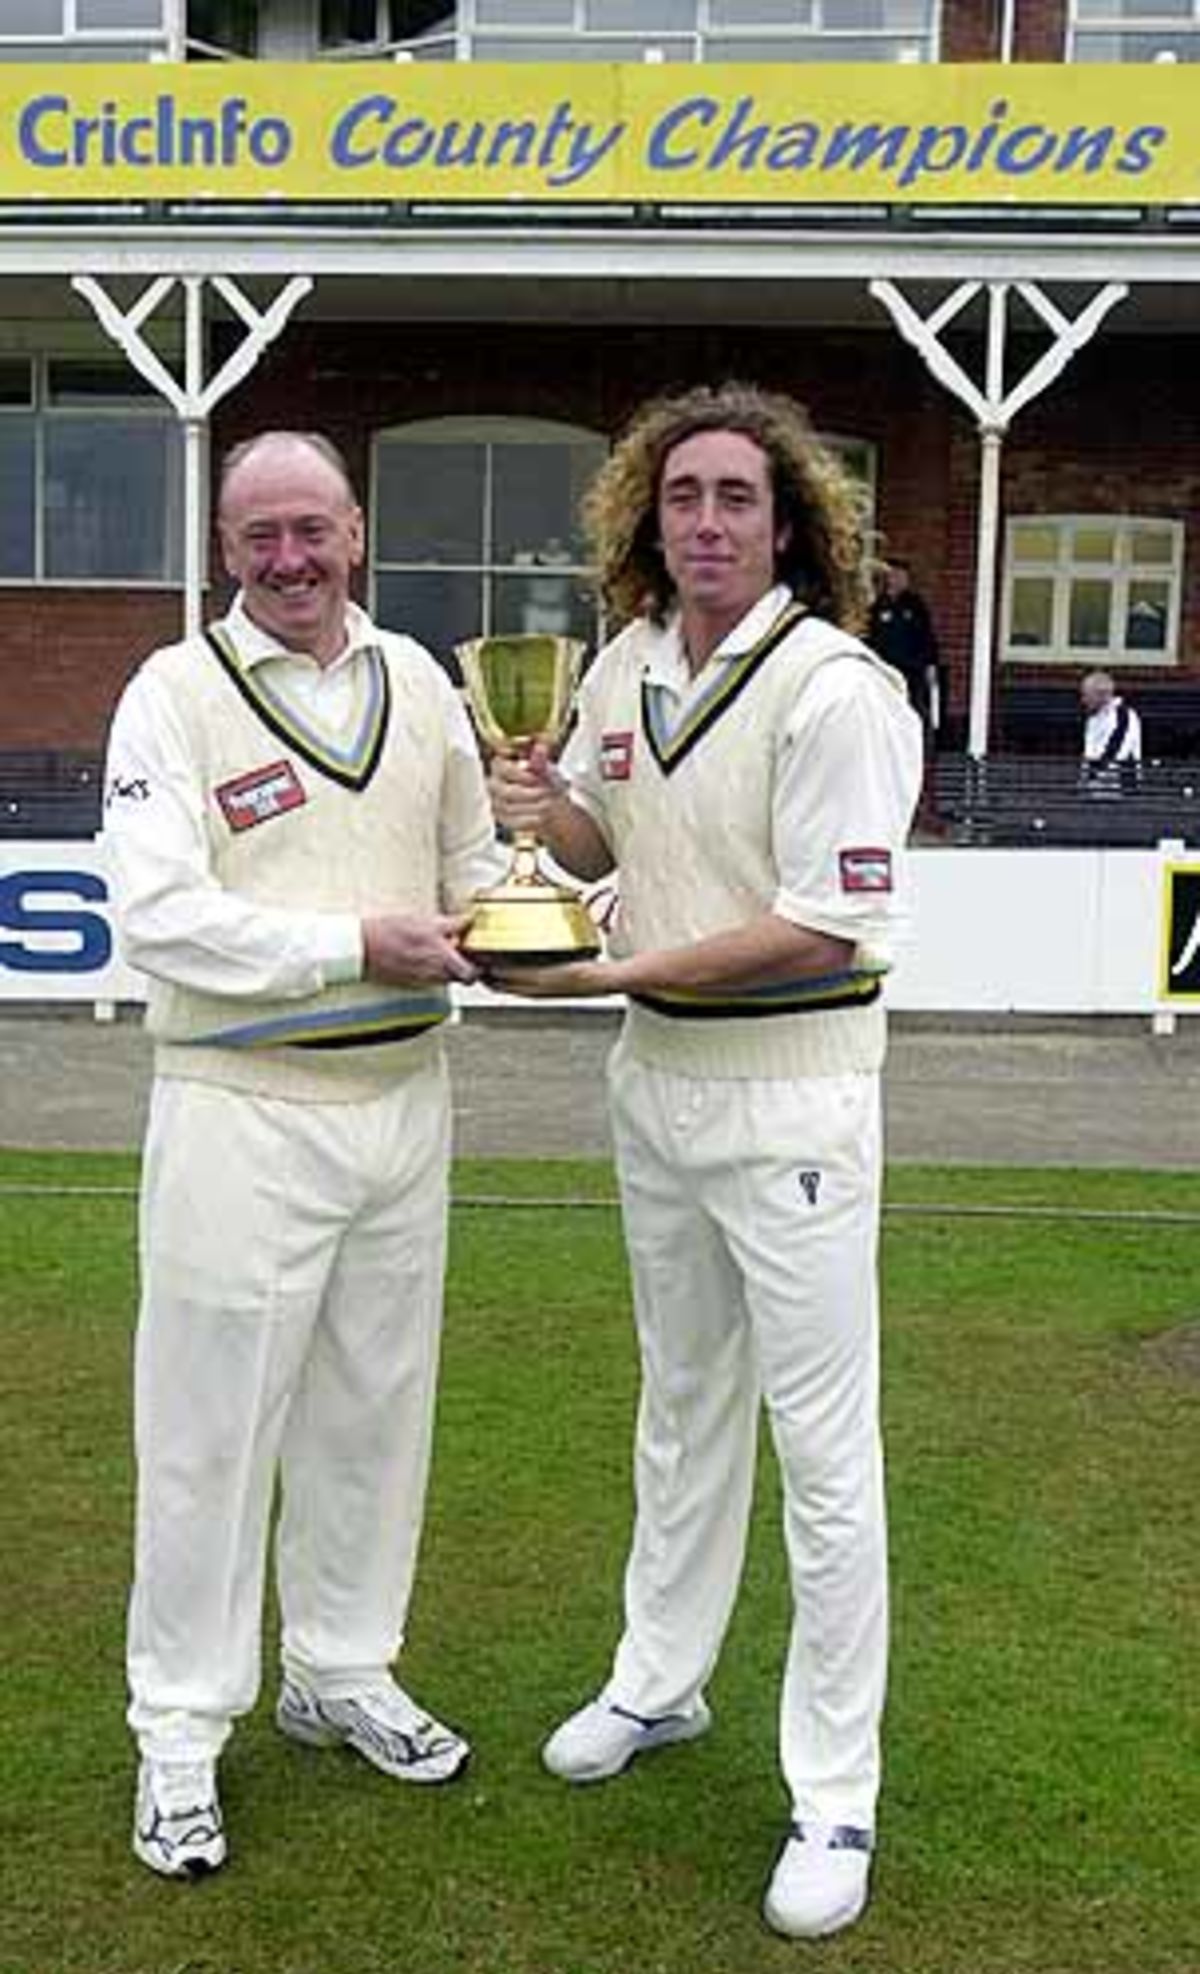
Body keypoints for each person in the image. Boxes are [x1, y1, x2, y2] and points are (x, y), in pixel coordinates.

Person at [486, 382, 923, 1940]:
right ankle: (659, 1682)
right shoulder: (623, 664)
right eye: (684, 498)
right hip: (655, 1091)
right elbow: (608, 836)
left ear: (791, 518)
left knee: (823, 1454)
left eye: (740, 496)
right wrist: (542, 815)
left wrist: (619, 971)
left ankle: (835, 1787)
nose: (711, 521)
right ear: (646, 518)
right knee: (681, 1413)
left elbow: (829, 918)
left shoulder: (838, 689)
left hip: (791, 1095)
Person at [103, 430, 501, 1880]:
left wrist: (546, 906)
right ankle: (179, 1733)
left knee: (373, 1415)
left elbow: (472, 868)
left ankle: (340, 1667)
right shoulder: (174, 692)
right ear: (225, 547)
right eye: (258, 534)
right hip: (237, 1104)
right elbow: (155, 913)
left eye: (310, 530)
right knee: (209, 1434)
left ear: (355, 534)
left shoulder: (426, 686)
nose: (288, 559)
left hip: (405, 1096)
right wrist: (350, 943)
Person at [867, 557, 942, 826]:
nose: (898, 580)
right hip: (884, 680)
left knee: (917, 733)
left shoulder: (915, 606)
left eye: (902, 576)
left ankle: (922, 804)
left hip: (913, 679)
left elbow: (929, 640)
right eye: (894, 575)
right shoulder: (877, 608)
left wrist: (930, 667)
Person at [1080, 669, 1142, 794]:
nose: (1083, 700)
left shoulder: (1124, 715)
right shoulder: (1093, 719)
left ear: (1101, 695)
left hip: (1120, 788)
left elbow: (1117, 750)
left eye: (1086, 695)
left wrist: (1093, 774)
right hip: (1095, 788)